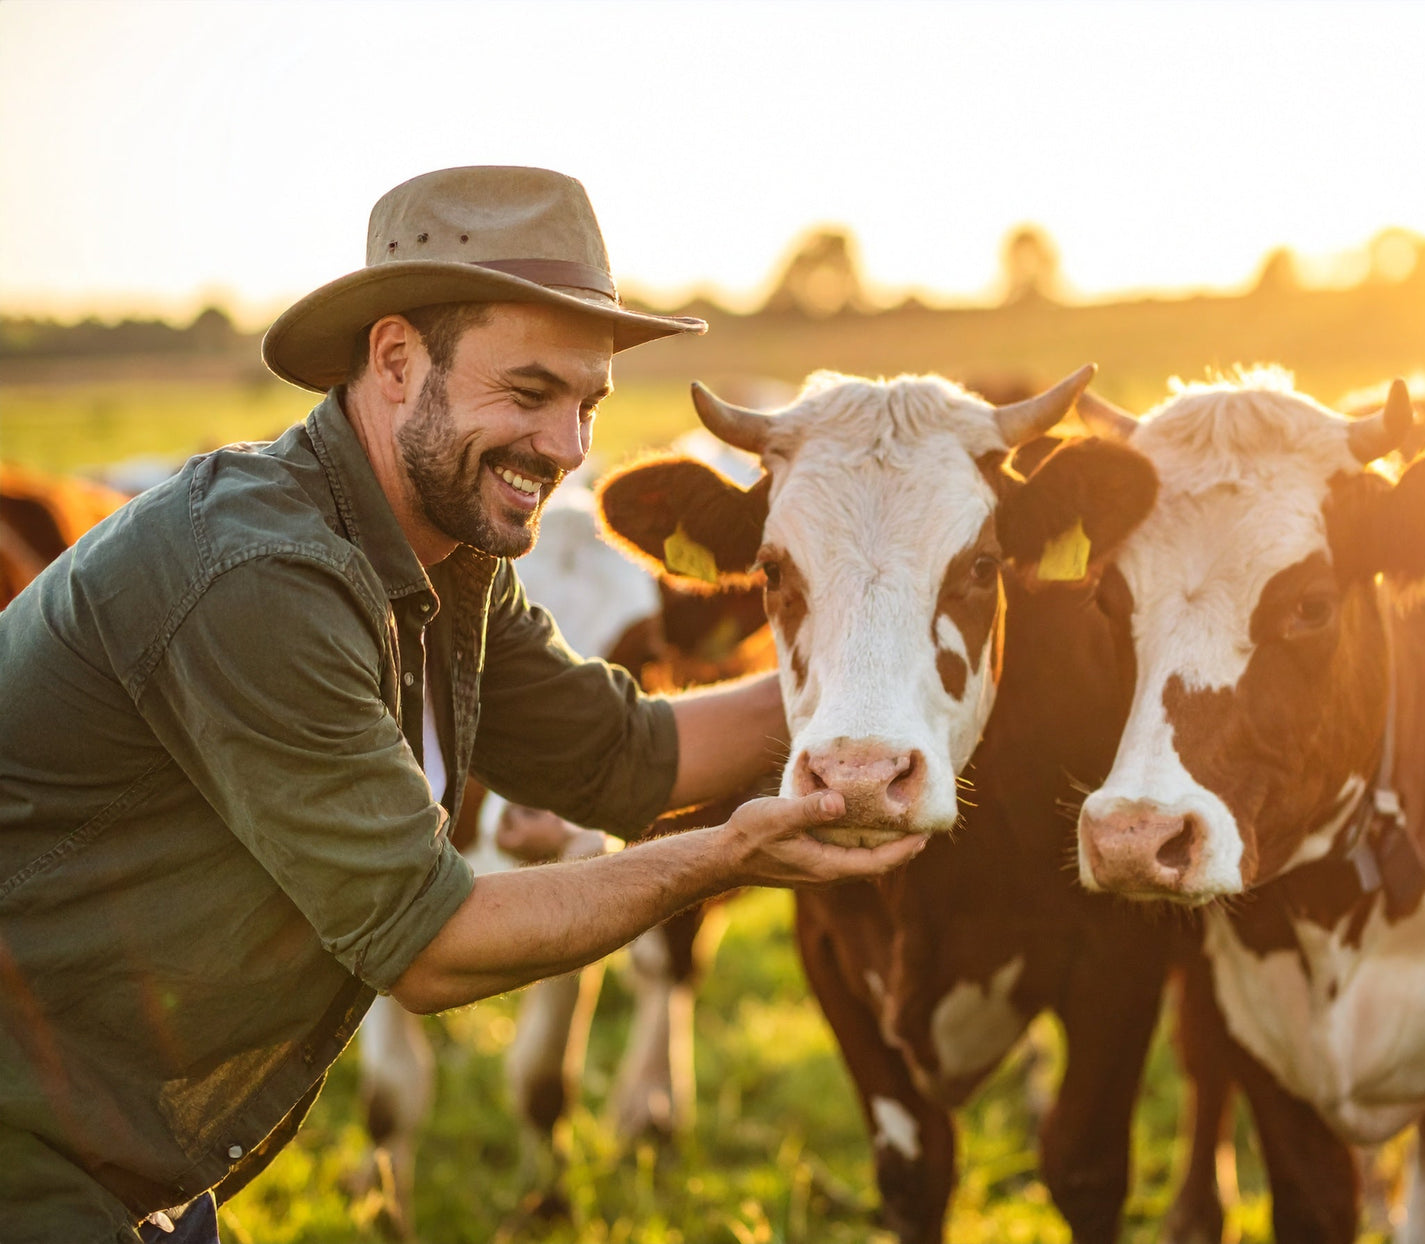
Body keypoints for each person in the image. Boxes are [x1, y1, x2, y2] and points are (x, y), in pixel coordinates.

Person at [0, 166, 926, 1244]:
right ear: (396, 360)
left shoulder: (441, 561)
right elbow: (431, 942)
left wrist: (881, 683)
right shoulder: (260, 574)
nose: (570, 448)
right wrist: (727, 856)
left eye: (588, 404)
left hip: (109, 1150)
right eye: (530, 392)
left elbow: (623, 752)